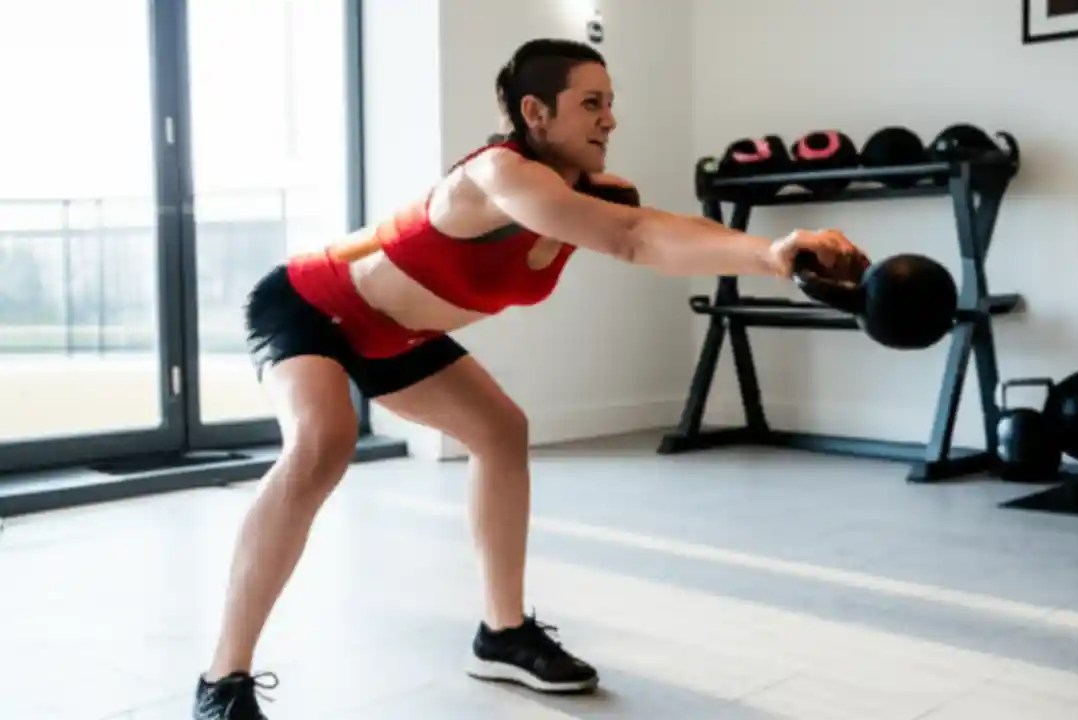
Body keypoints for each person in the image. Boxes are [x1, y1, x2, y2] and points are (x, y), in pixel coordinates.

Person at [192, 37, 867, 719]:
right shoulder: (497, 175)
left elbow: (649, 229)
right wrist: (772, 257)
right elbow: (633, 237)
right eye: (592, 104)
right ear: (536, 113)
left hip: (398, 333)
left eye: (612, 104)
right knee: (322, 443)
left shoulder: (592, 194)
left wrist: (777, 258)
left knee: (499, 430)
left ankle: (502, 633)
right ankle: (223, 681)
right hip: (313, 305)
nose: (610, 120)